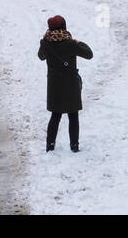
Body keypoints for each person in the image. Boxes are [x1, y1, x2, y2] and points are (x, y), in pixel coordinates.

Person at [38, 15, 93, 153]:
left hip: (54, 86)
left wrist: (44, 42)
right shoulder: (70, 43)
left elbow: (41, 56)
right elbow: (89, 54)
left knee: (55, 116)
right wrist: (78, 42)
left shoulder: (46, 43)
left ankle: (50, 146)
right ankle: (74, 146)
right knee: (73, 116)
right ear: (64, 27)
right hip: (70, 85)